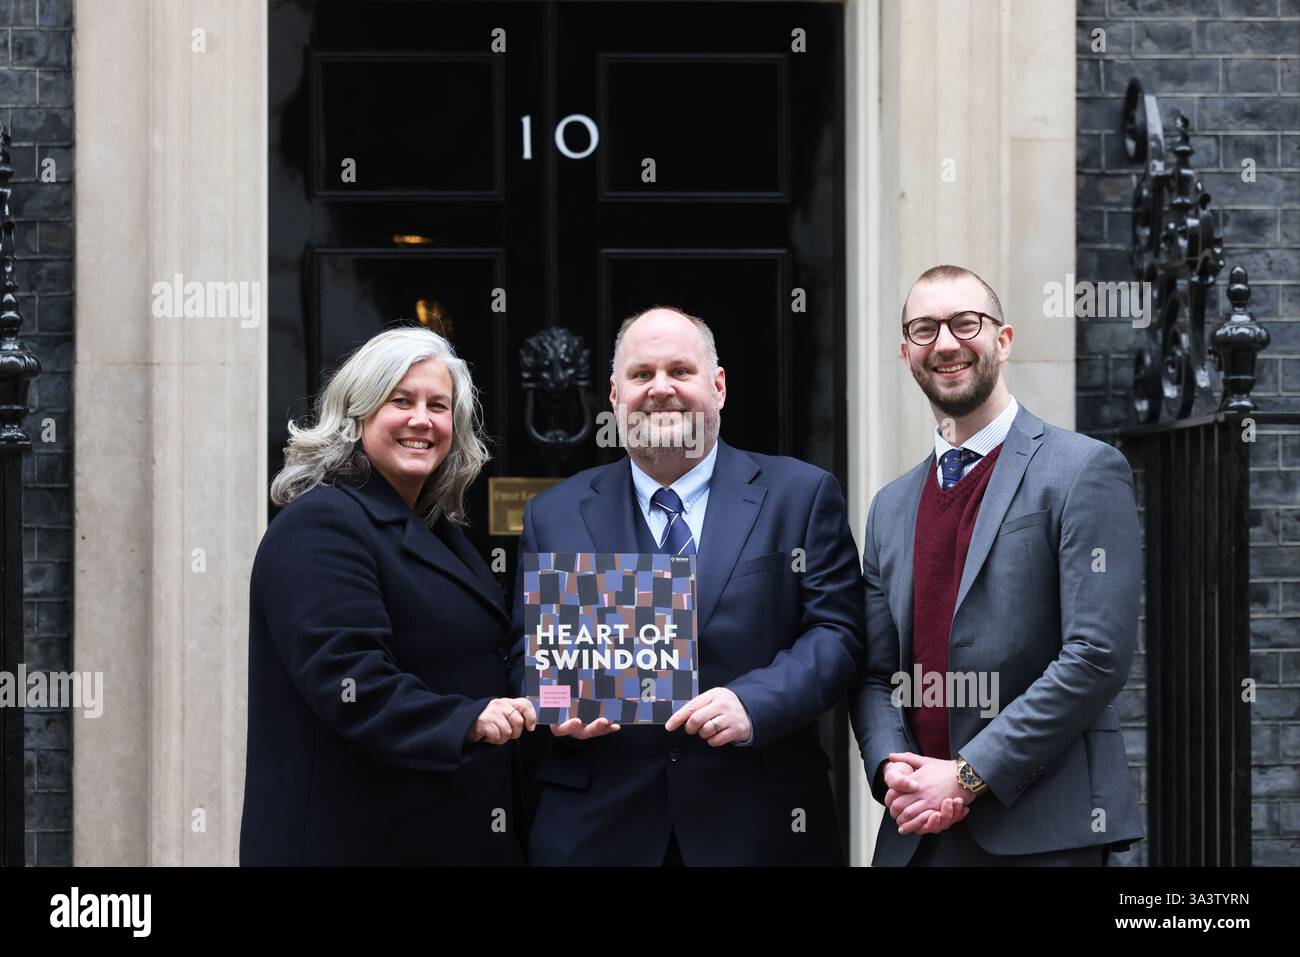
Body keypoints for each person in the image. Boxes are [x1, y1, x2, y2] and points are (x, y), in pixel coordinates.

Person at [510, 307, 865, 865]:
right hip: (598, 831)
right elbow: (526, 658)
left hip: (759, 827)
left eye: (681, 371)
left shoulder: (800, 494)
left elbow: (838, 633)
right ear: (614, 394)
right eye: (641, 374)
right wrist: (558, 708)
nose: (661, 389)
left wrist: (754, 702)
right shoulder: (553, 514)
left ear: (718, 386)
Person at [851, 265, 1144, 866]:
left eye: (966, 323)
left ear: (1003, 340)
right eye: (924, 329)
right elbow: (874, 671)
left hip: (1042, 832)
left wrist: (966, 775)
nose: (947, 344)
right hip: (917, 837)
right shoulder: (890, 506)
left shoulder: (1084, 470)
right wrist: (893, 769)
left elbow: (1095, 656)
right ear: (907, 352)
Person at [240, 326, 536, 865]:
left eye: (438, 405)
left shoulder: (438, 532)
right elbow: (348, 679)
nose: (422, 420)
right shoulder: (322, 523)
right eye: (400, 401)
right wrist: (464, 721)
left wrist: (564, 702)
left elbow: (483, 660)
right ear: (356, 417)